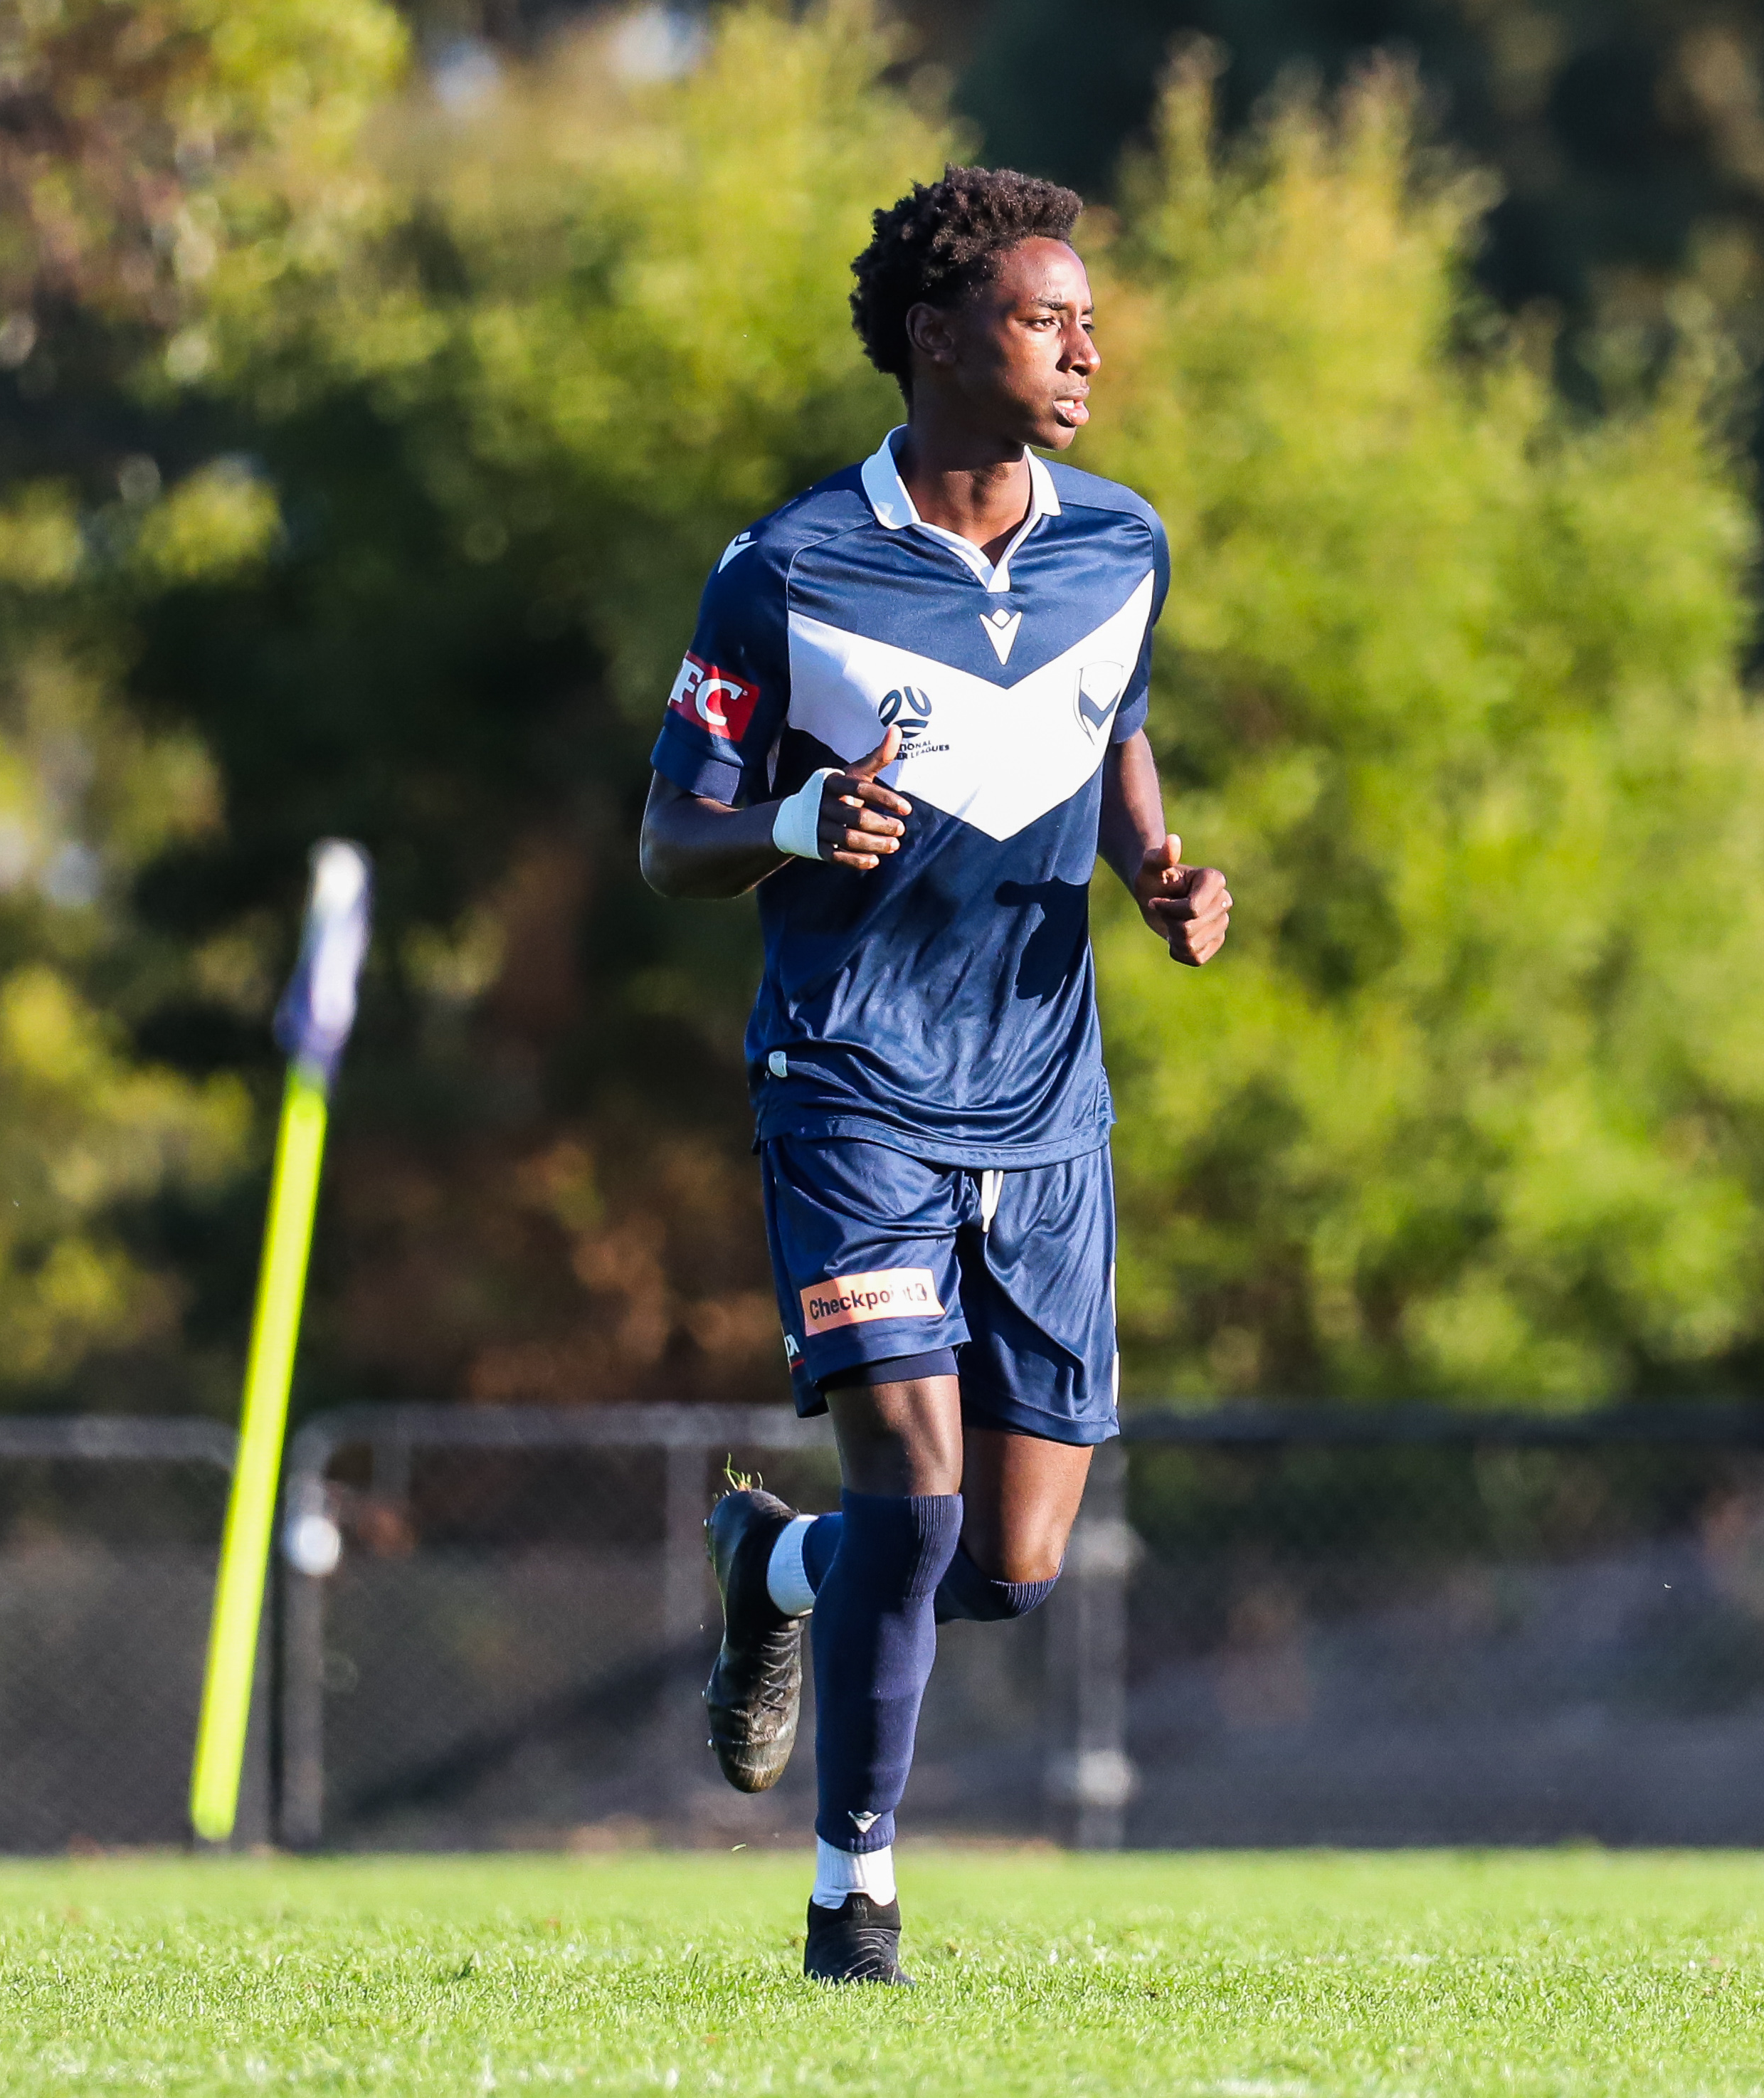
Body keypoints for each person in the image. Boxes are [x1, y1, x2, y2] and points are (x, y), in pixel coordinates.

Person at [638, 164, 1231, 1985]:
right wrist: (797, 816)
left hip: (1048, 1104)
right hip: (851, 1086)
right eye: (1049, 320)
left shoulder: (1117, 541)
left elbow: (1113, 719)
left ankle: (778, 1576)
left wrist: (1155, 867)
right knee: (915, 1489)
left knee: (1010, 1561)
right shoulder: (788, 566)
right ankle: (853, 1903)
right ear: (935, 337)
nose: (1087, 350)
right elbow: (671, 834)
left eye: (1087, 320)